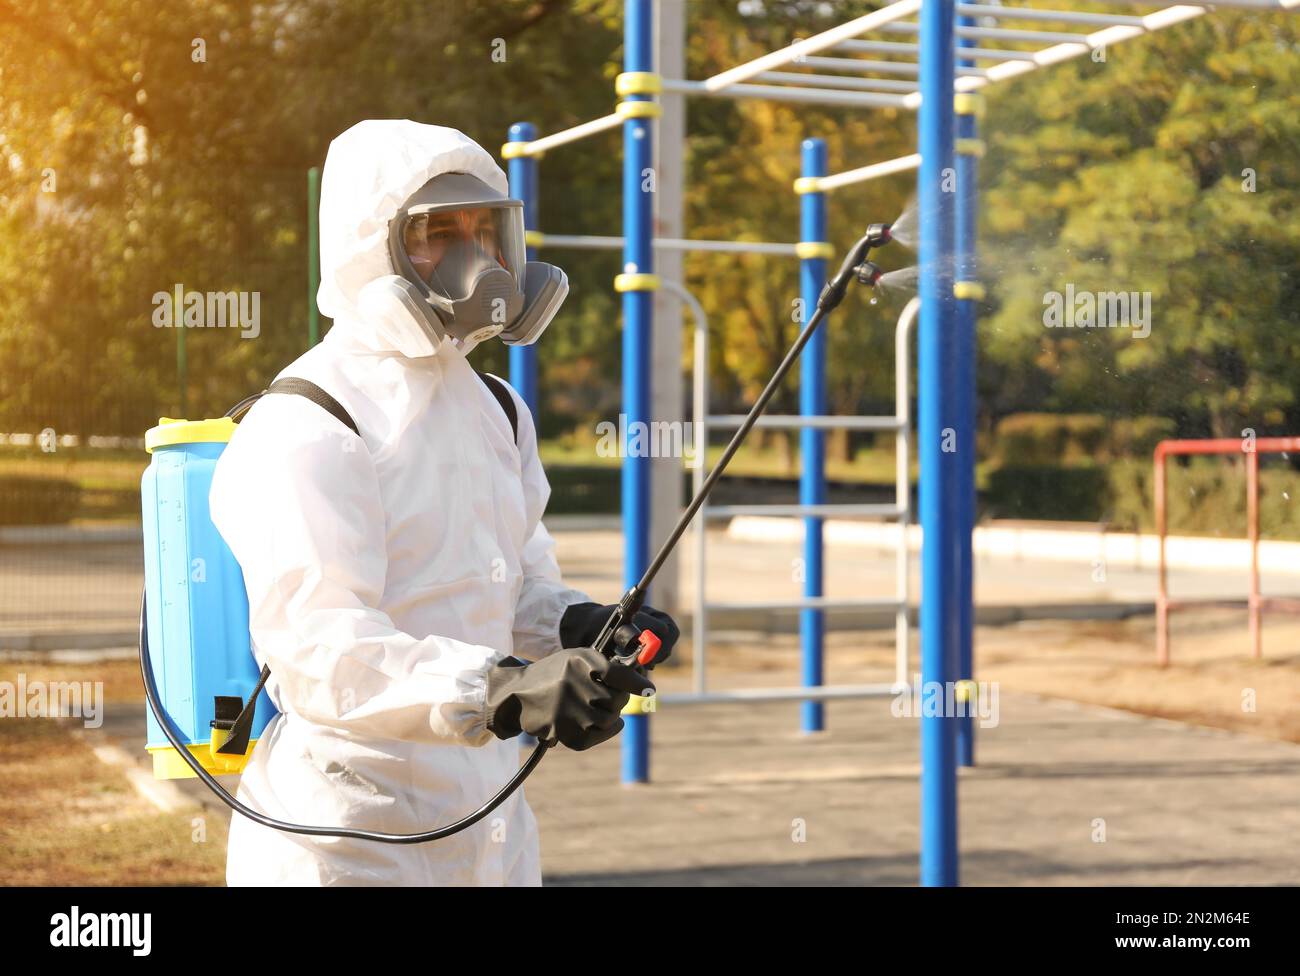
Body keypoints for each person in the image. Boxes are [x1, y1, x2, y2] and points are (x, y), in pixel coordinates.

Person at [209, 120, 679, 886]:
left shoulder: (498, 408)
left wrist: (581, 624)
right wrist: (500, 689)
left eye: (486, 231)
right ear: (372, 249)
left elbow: (506, 583)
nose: (477, 262)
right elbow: (322, 651)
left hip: (486, 822)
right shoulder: (310, 419)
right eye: (437, 234)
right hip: (347, 836)